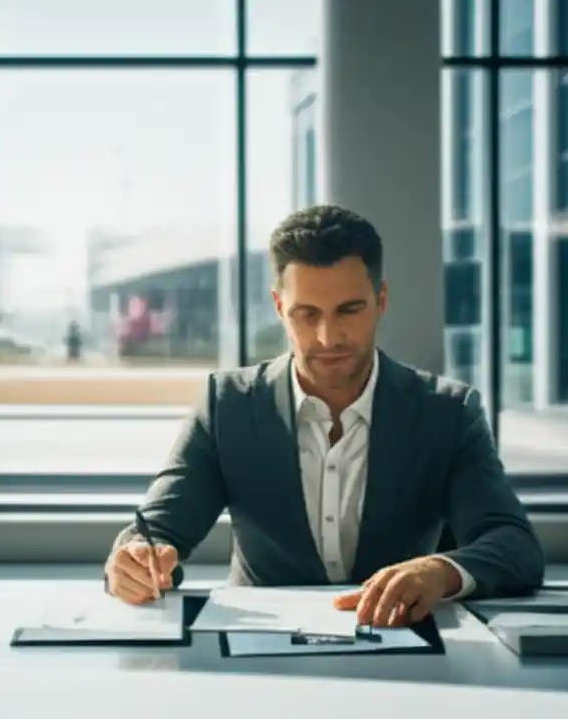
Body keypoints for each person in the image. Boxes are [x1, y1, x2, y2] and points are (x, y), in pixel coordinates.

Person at [104, 204, 544, 628]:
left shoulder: (447, 412)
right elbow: (155, 529)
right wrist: (136, 559)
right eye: (306, 314)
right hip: (259, 655)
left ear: (381, 300)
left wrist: (441, 571)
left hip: (405, 649)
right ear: (279, 308)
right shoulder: (227, 405)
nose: (328, 337)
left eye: (349, 310)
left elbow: (514, 545)